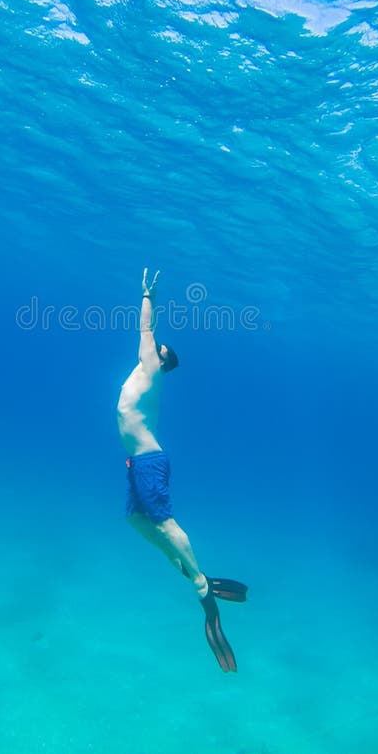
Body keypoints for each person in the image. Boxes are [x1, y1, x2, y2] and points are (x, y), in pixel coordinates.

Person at [117, 268, 247, 672]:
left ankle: (200, 583)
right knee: (136, 520)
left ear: (161, 359)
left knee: (165, 523)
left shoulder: (151, 369)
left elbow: (145, 328)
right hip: (139, 463)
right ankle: (189, 570)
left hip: (148, 462)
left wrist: (147, 296)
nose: (151, 346)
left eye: (157, 348)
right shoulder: (146, 372)